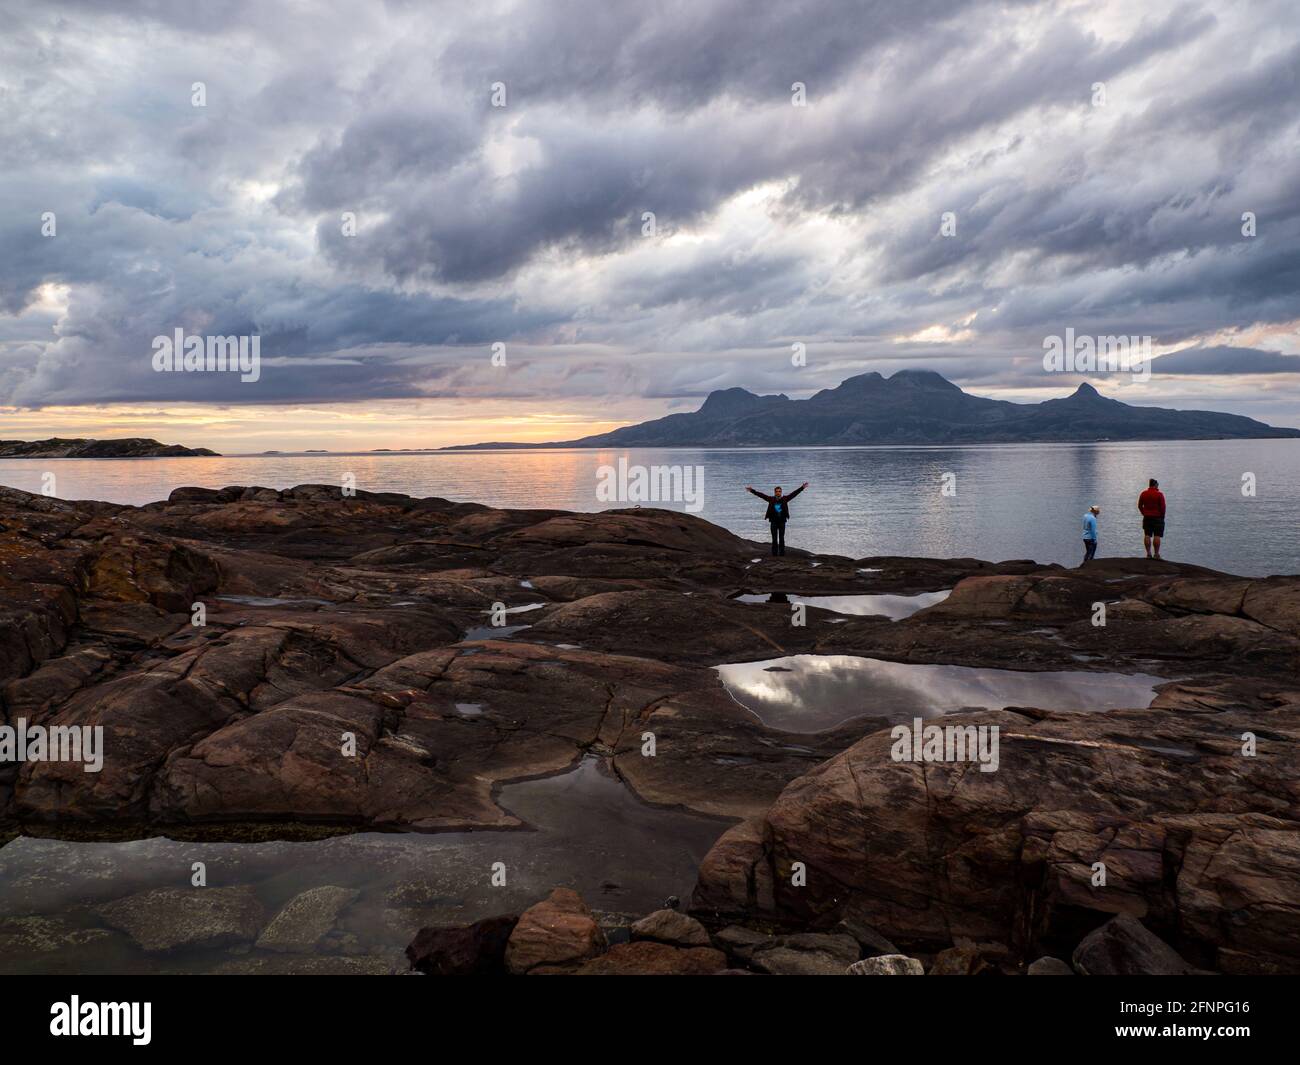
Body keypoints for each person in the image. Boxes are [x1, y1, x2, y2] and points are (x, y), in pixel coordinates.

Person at [745, 481, 809, 556]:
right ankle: (774, 554)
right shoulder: (771, 499)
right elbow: (761, 495)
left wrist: (802, 488)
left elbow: (794, 494)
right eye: (777, 491)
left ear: (781, 492)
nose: (778, 493)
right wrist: (752, 490)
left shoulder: (785, 499)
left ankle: (782, 554)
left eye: (779, 491)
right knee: (774, 539)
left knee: (781, 538)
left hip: (782, 522)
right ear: (775, 492)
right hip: (773, 522)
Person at [1138, 478, 1166, 559]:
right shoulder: (1159, 494)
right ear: (1155, 485)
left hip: (1147, 517)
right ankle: (1156, 554)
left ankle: (1148, 554)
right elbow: (1163, 507)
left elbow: (1139, 506)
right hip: (1158, 517)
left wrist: (1144, 513)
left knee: (1147, 535)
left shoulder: (1143, 493)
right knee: (1157, 535)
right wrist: (1162, 516)